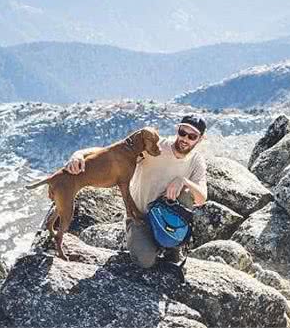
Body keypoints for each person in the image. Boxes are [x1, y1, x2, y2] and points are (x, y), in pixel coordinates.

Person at [64, 114, 208, 268]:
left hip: (167, 218)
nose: (185, 139)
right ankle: (147, 240)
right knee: (145, 261)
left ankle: (172, 246)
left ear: (200, 139)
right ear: (177, 130)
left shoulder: (196, 161)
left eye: (192, 136)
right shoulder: (153, 146)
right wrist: (79, 155)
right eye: (182, 132)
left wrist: (183, 180)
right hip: (140, 217)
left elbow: (201, 198)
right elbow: (113, 152)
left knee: (187, 193)